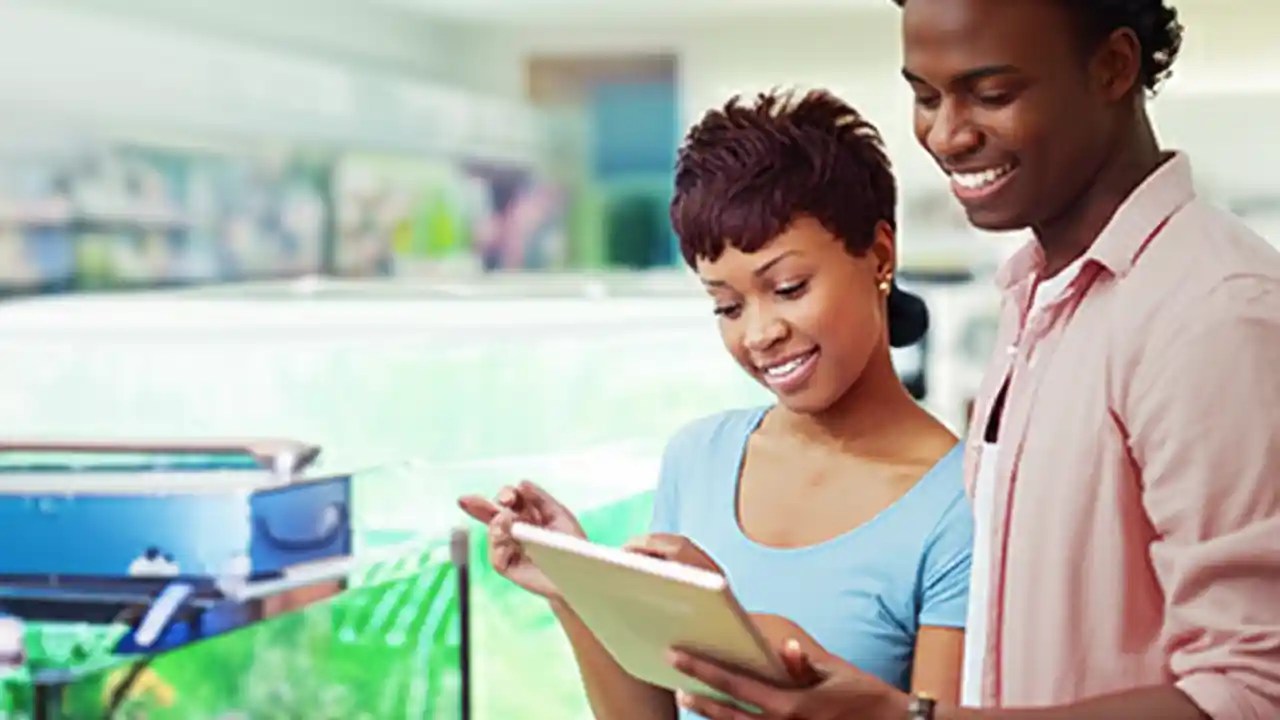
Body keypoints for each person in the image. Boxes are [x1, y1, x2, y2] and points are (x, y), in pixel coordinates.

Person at [669, 1, 1280, 719]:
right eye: (926, 97)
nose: (947, 135)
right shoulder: (1036, 300)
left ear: (1114, 66)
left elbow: (1253, 692)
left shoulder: (1212, 312)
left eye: (992, 94)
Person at [458, 88, 974, 720]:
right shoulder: (699, 457)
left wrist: (736, 628)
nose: (758, 333)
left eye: (789, 287)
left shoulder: (961, 505)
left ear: (881, 256)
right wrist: (578, 589)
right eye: (727, 306)